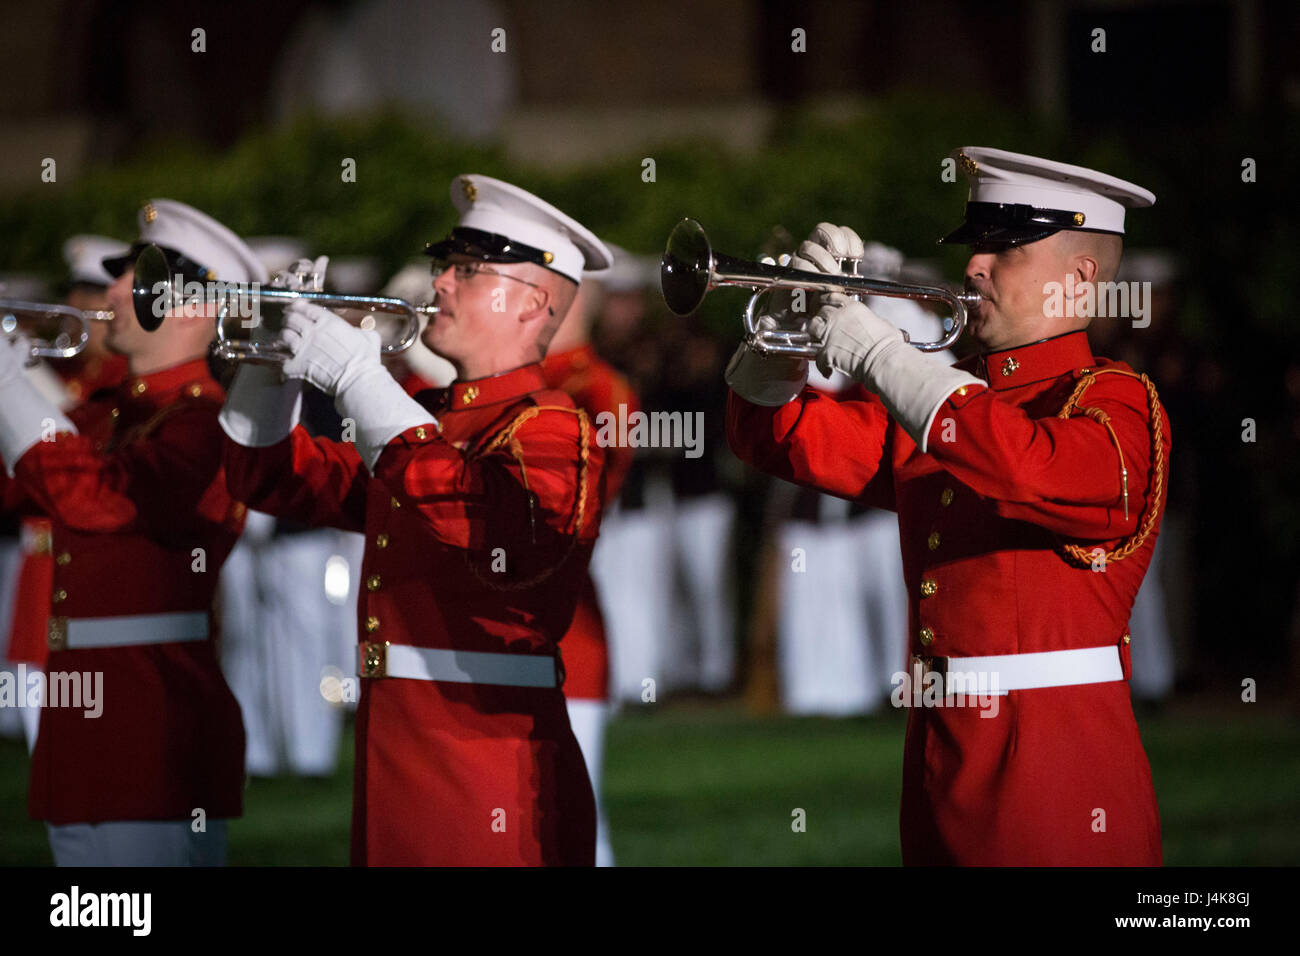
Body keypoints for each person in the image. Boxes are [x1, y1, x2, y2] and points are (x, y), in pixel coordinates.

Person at [726, 147, 1170, 865]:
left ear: (1079, 278)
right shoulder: (955, 402)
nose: (974, 269)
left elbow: (1022, 467)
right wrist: (784, 329)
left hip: (1055, 772)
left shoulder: (1113, 401)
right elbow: (773, 437)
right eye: (975, 248)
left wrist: (881, 354)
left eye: (1004, 250)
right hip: (939, 758)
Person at [220, 174, 610, 865]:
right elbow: (269, 478)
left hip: (482, 763)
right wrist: (268, 360)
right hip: (399, 755)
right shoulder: (431, 417)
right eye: (444, 267)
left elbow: (485, 526)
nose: (440, 285)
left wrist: (362, 384)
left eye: (466, 269)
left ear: (534, 302)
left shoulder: (553, 424)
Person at [0, 200, 255, 865]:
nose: (111, 292)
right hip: (82, 724)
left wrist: (6, 382)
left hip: (151, 726)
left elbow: (98, 502)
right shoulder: (110, 414)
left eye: (134, 278)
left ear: (199, 305)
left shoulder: (207, 425)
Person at [541, 273, 639, 866]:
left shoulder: (599, 388)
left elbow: (580, 497)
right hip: (512, 639)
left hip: (569, 635)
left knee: (574, 826)